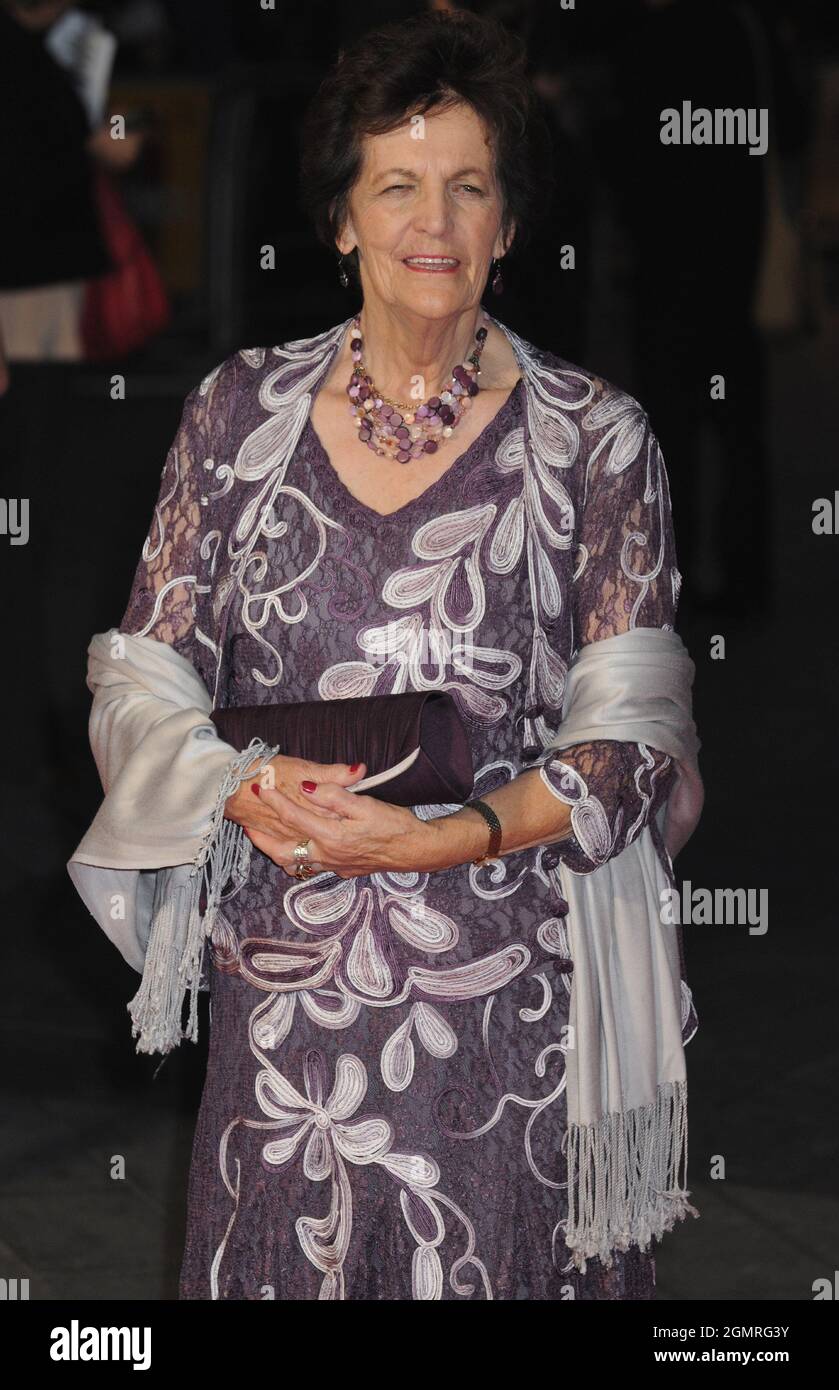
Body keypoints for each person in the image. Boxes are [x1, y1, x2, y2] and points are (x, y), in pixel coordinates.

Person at [67, 9, 703, 1301]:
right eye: (398, 184)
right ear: (343, 216)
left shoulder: (598, 439)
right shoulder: (237, 416)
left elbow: (633, 736)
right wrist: (233, 783)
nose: (436, 220)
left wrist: (439, 837)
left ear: (511, 224)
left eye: (470, 187)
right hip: (291, 1016)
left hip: (511, 1018)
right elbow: (145, 669)